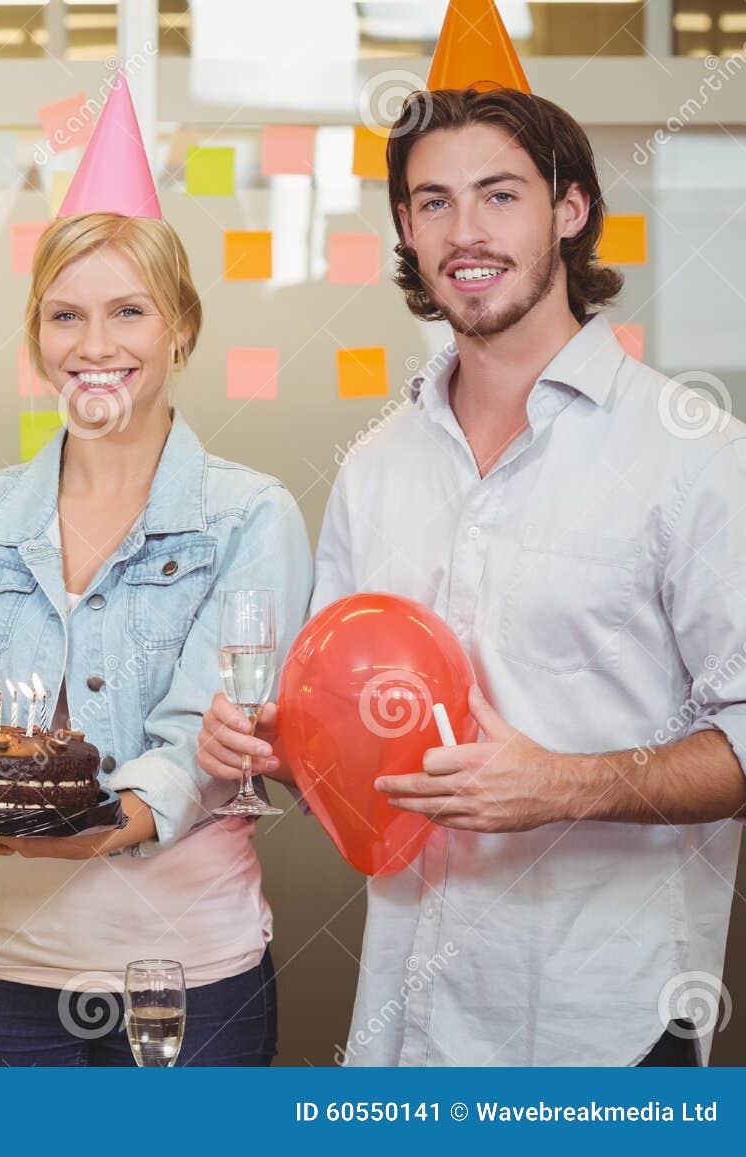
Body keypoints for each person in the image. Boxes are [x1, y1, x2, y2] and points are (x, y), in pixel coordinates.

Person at [198, 85, 746, 1066]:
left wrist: (565, 784)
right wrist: (286, 747)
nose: (465, 232)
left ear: (568, 208)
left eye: (499, 195)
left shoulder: (695, 454)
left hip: (606, 1032)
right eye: (434, 202)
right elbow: (352, 733)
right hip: (406, 1027)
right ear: (406, 228)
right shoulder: (375, 466)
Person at [0, 77, 312, 1067]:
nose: (94, 347)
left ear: (180, 327)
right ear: (36, 336)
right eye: (65, 316)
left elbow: (200, 744)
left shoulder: (249, 516)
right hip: (7, 970)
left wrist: (87, 822)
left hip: (190, 972)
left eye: (128, 311)